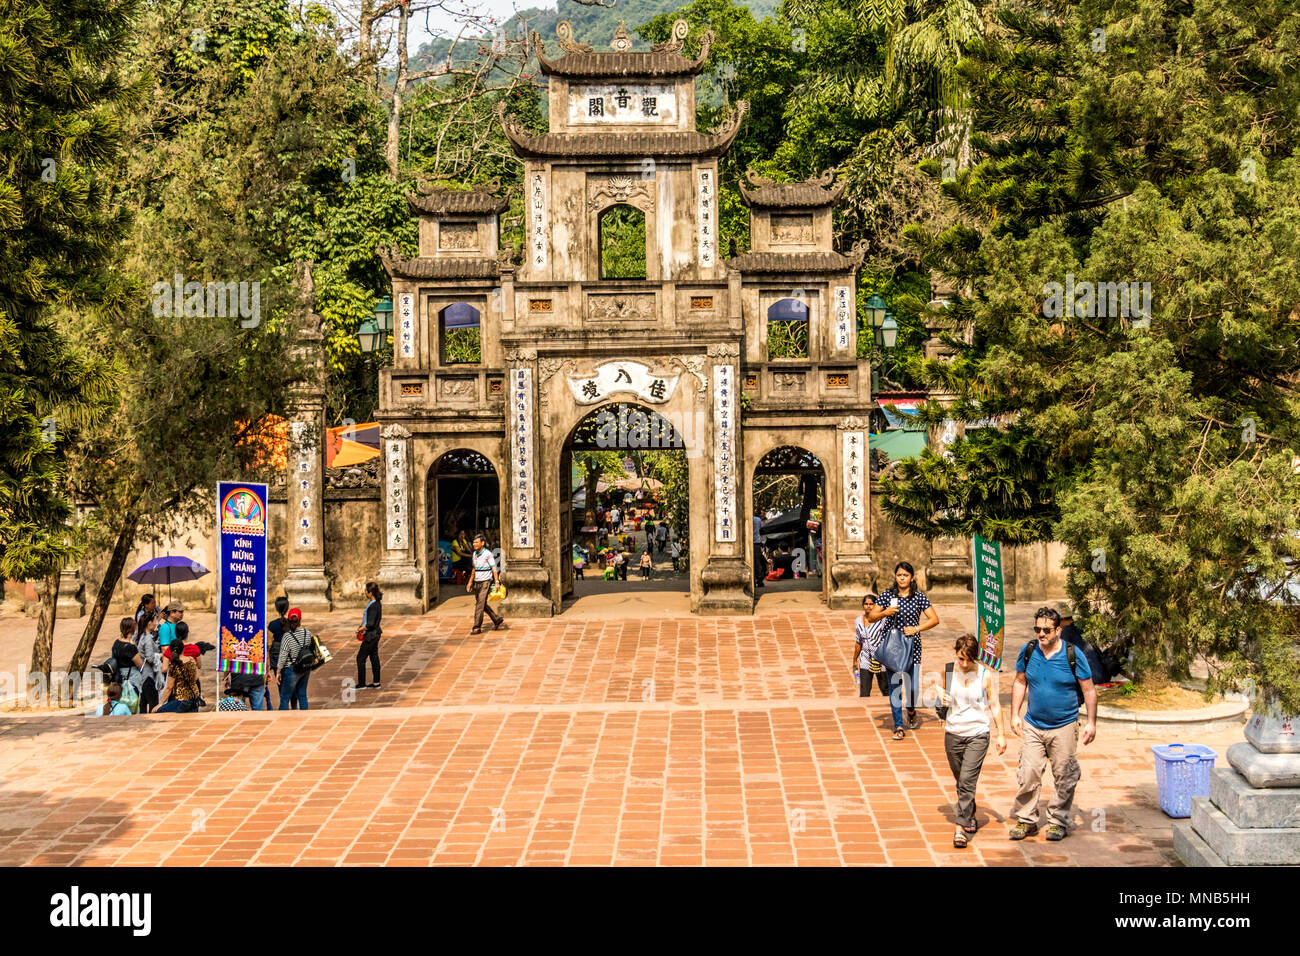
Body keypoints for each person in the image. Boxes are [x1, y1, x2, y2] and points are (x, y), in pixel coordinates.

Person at [1009, 605, 1098, 841]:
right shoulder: (1028, 650)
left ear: (1058, 630)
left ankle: (1058, 820)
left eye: (1046, 630)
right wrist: (1014, 714)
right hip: (1033, 724)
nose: (1041, 634)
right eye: (1037, 629)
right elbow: (1020, 682)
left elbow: (1088, 689)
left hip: (1065, 725)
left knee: (1064, 775)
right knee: (1028, 773)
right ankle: (1026, 819)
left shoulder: (1073, 654)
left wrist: (1091, 722)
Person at [942, 633, 1007, 848]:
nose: (965, 663)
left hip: (978, 734)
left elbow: (994, 704)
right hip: (953, 733)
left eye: (969, 659)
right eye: (961, 658)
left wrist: (1001, 733)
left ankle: (959, 828)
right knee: (961, 781)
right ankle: (969, 813)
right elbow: (943, 698)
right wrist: (941, 698)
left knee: (968, 780)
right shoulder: (949, 671)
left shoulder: (985, 675)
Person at [869, 561, 940, 737]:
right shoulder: (887, 595)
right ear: (895, 576)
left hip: (912, 646)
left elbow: (934, 619)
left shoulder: (919, 597)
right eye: (899, 575)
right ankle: (899, 726)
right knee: (894, 687)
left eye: (905, 575)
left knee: (912, 687)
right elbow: (871, 617)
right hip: (893, 647)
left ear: (911, 577)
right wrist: (885, 613)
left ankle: (911, 710)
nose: (902, 578)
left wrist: (917, 628)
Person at [1058, 601, 1107, 683]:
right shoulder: (1081, 627)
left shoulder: (1066, 630)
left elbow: (1061, 656)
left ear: (1061, 619)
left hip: (1089, 678)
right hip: (1102, 675)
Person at [276, 608, 314, 710]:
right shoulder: (307, 633)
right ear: (300, 620)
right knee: (302, 695)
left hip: (292, 669)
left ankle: (282, 719)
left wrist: (278, 671)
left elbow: (283, 655)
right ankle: (304, 717)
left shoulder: (287, 636)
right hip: (305, 668)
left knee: (285, 698)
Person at [852, 594, 890, 698]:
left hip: (881, 659)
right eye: (866, 604)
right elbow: (858, 642)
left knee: (885, 689)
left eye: (871, 604)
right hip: (865, 659)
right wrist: (855, 659)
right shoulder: (858, 621)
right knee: (864, 691)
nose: (868, 606)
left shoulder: (883, 620)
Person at [467, 533, 505, 634]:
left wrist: (497, 582)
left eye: (476, 542)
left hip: (486, 581)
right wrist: (470, 582)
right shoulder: (474, 554)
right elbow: (474, 569)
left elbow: (494, 569)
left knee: (479, 604)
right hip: (477, 582)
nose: (474, 544)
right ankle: (496, 619)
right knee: (482, 604)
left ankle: (476, 626)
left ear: (482, 543)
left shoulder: (488, 554)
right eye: (473, 542)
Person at [156, 642, 201, 713]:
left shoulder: (174, 665)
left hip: (181, 700)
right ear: (183, 649)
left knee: (159, 711)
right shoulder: (191, 660)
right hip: (194, 698)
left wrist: (160, 703)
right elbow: (196, 677)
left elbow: (169, 687)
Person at [136, 609, 164, 713]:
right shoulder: (147, 638)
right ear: (149, 623)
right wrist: (161, 655)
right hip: (149, 676)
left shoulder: (142, 636)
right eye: (155, 620)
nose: (156, 623)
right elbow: (150, 658)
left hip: (143, 675)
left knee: (143, 703)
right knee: (153, 704)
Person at [357, 581, 383, 690]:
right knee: (374, 657)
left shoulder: (373, 606)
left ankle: (362, 684)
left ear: (370, 592)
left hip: (371, 635)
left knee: (360, 658)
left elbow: (370, 624)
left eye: (366, 592)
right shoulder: (376, 603)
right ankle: (376, 682)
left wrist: (361, 629)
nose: (365, 593)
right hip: (376, 634)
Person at [753, 515, 766, 589]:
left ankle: (754, 581)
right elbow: (761, 529)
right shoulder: (758, 519)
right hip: (756, 543)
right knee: (757, 563)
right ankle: (759, 580)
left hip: (748, 543)